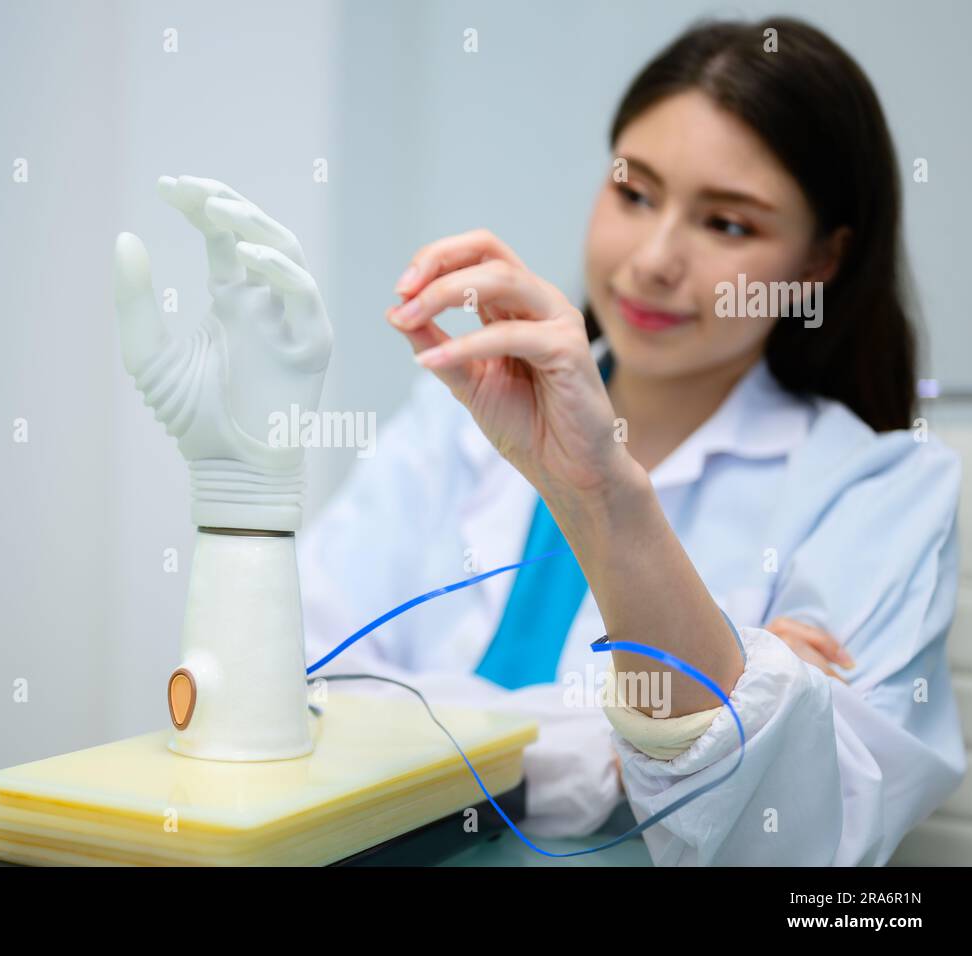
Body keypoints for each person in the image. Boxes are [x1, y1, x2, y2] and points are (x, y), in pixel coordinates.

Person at [297, 16, 965, 866]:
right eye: (635, 193)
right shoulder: (459, 413)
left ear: (821, 262)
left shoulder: (881, 489)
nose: (653, 259)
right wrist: (655, 730)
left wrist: (606, 498)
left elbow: (799, 842)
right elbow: (294, 692)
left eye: (727, 225)